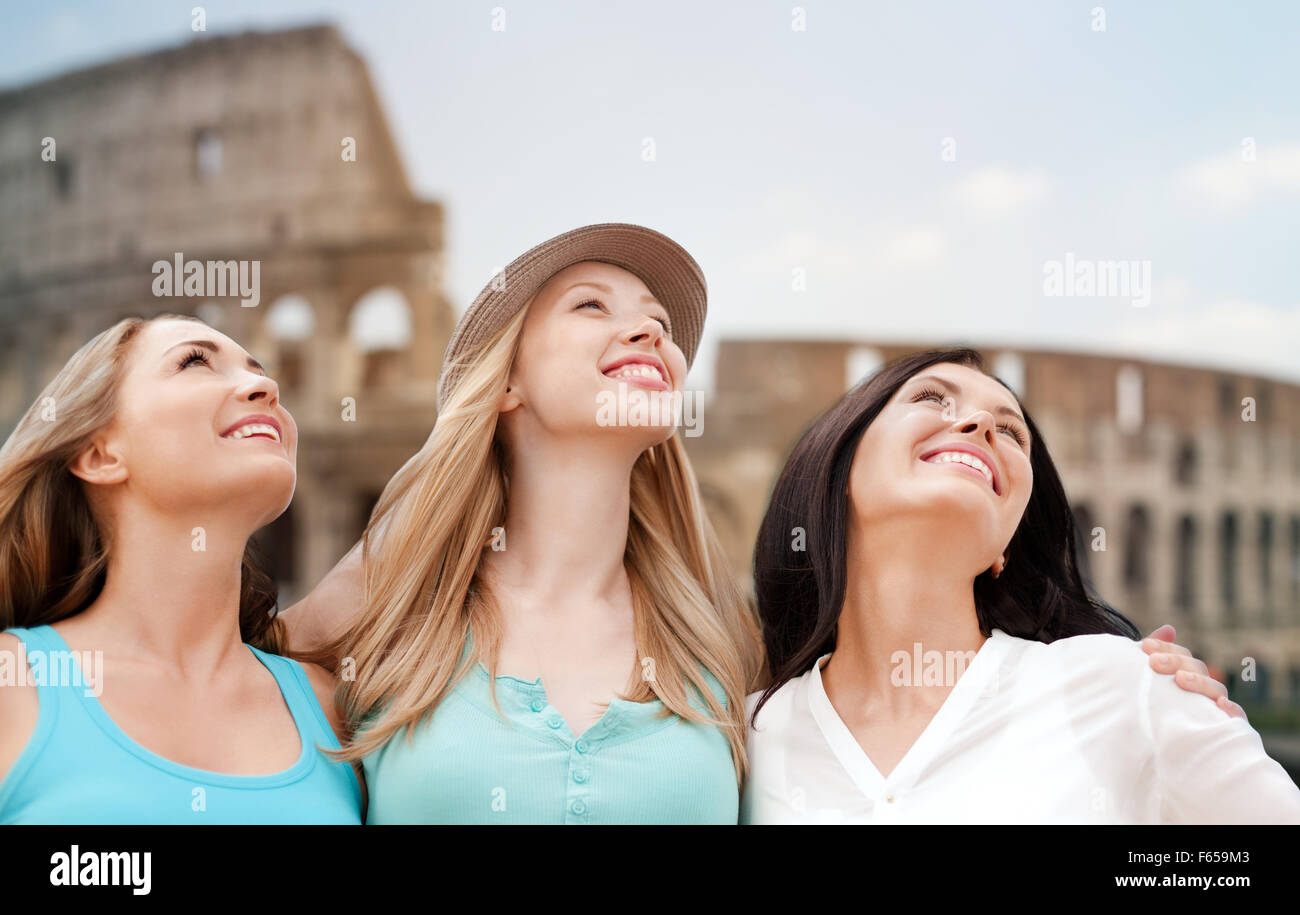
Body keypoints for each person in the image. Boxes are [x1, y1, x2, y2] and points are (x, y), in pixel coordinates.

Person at [286, 223, 764, 823]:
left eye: (661, 325)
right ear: (507, 380)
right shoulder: (394, 605)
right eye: (591, 304)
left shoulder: (720, 638)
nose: (651, 333)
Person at [742, 348, 1300, 824]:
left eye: (1010, 431)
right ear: (835, 465)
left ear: (1004, 544)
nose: (980, 425)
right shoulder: (743, 738)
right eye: (932, 398)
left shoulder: (1121, 687)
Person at [0, 315, 362, 824]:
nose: (267, 385)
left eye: (259, 369)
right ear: (100, 453)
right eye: (195, 362)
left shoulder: (332, 709)